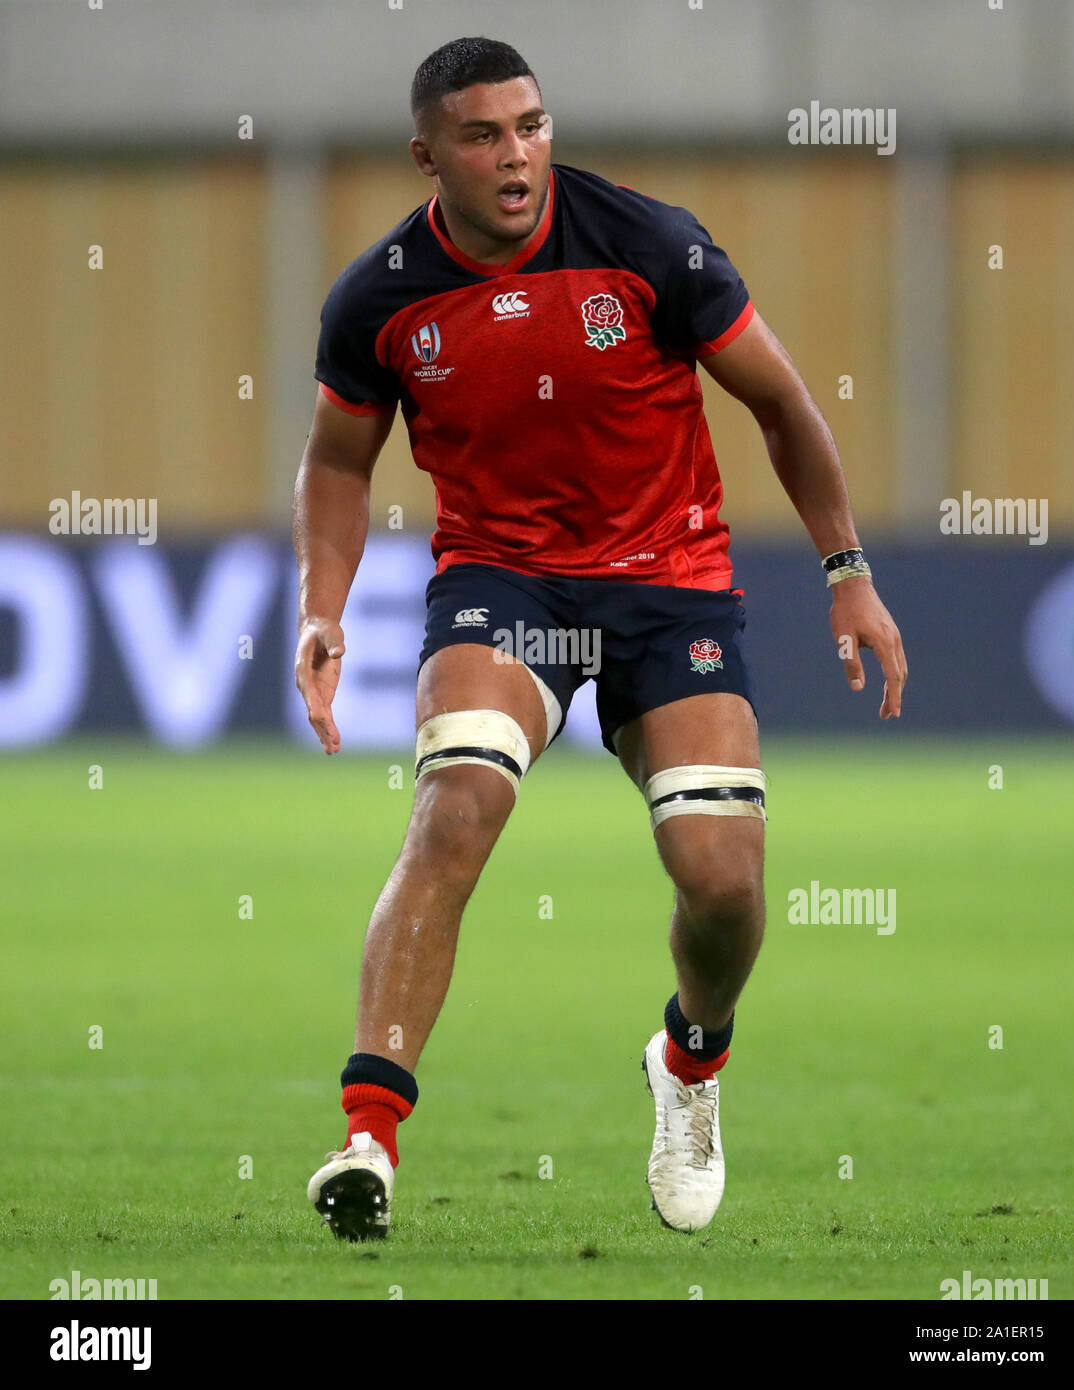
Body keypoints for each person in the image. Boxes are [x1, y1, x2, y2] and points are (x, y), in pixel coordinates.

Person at [294, 36, 908, 1241]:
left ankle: (688, 1061)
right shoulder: (379, 297)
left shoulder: (648, 244)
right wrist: (322, 604)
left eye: (529, 124)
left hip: (665, 583)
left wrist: (847, 572)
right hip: (501, 583)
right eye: (482, 135)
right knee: (455, 804)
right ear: (430, 155)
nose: (515, 153)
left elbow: (780, 402)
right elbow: (334, 461)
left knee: (722, 880)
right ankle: (369, 1134)